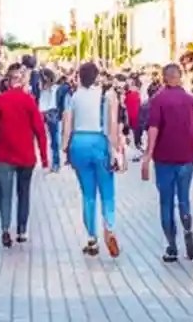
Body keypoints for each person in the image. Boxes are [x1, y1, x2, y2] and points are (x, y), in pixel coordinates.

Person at [140, 63, 193, 262]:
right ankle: (188, 229)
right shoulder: (190, 100)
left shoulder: (158, 100)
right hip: (187, 157)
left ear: (164, 78)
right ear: (180, 77)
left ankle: (171, 247)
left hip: (164, 158)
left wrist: (148, 154)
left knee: (166, 201)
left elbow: (153, 128)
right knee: (184, 198)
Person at [0, 63, 48, 247]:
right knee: (24, 192)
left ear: (8, 81)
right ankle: (21, 230)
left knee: (5, 193)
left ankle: (5, 228)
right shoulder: (29, 101)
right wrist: (44, 158)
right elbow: (40, 131)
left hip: (3, 155)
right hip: (26, 156)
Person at [62, 61, 123, 257]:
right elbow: (112, 125)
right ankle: (110, 227)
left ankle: (91, 237)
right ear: (97, 76)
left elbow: (67, 125)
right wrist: (114, 149)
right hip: (99, 142)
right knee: (107, 191)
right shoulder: (106, 96)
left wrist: (65, 149)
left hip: (79, 142)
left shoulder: (73, 96)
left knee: (88, 194)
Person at [38, 69, 63, 173]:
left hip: (51, 113)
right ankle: (47, 161)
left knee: (54, 140)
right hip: (41, 113)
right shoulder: (40, 89)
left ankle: (56, 162)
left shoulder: (55, 89)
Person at [125, 79, 143, 152]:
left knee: (135, 129)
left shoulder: (132, 94)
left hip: (134, 114)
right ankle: (137, 143)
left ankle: (137, 143)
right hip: (132, 114)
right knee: (135, 129)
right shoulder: (128, 94)